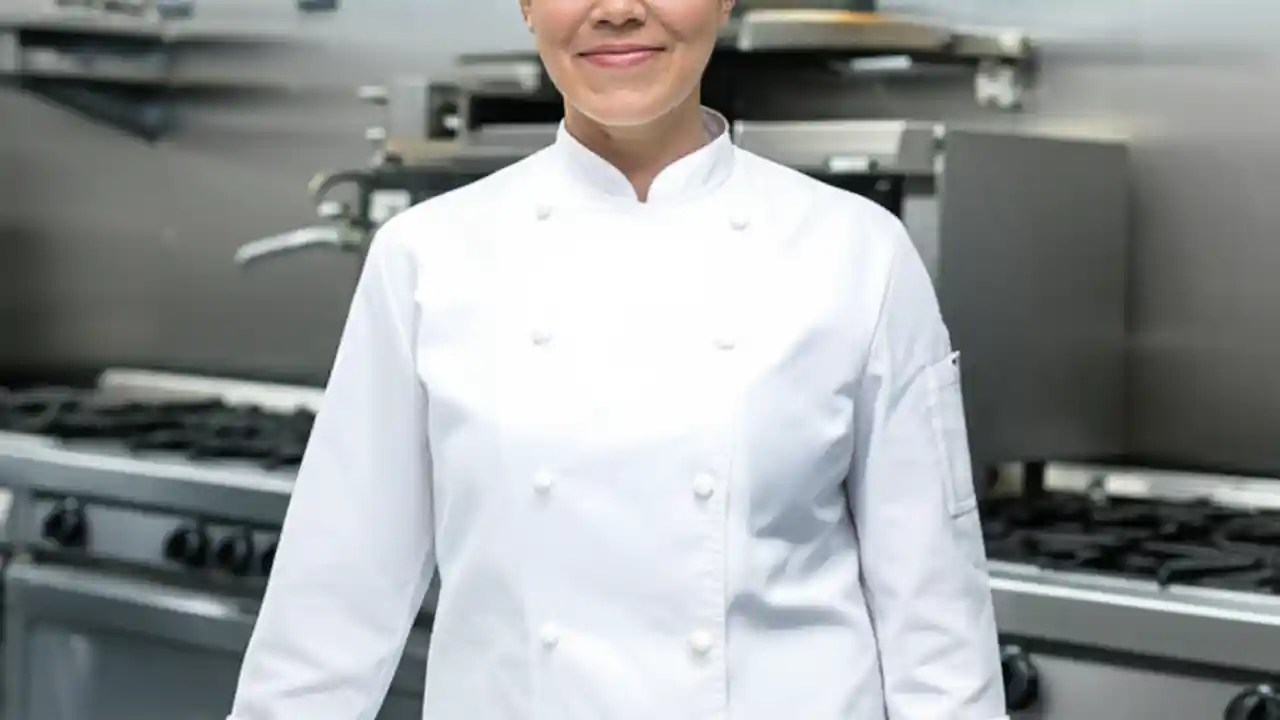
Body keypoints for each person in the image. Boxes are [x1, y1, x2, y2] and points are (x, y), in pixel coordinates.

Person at [226, 0, 1008, 718]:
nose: (620, 9)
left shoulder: (857, 252)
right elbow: (331, 605)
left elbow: (934, 624)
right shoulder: (428, 258)